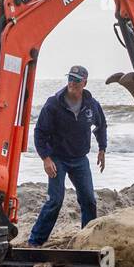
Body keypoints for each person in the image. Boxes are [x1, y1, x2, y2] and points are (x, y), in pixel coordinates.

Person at [28, 65, 108, 247]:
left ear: (85, 83)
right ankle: (35, 241)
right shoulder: (53, 104)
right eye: (70, 78)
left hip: (80, 159)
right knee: (55, 200)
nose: (72, 82)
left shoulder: (92, 105)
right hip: (57, 158)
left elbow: (101, 126)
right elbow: (40, 132)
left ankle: (87, 239)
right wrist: (46, 159)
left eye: (77, 80)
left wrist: (102, 148)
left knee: (89, 199)